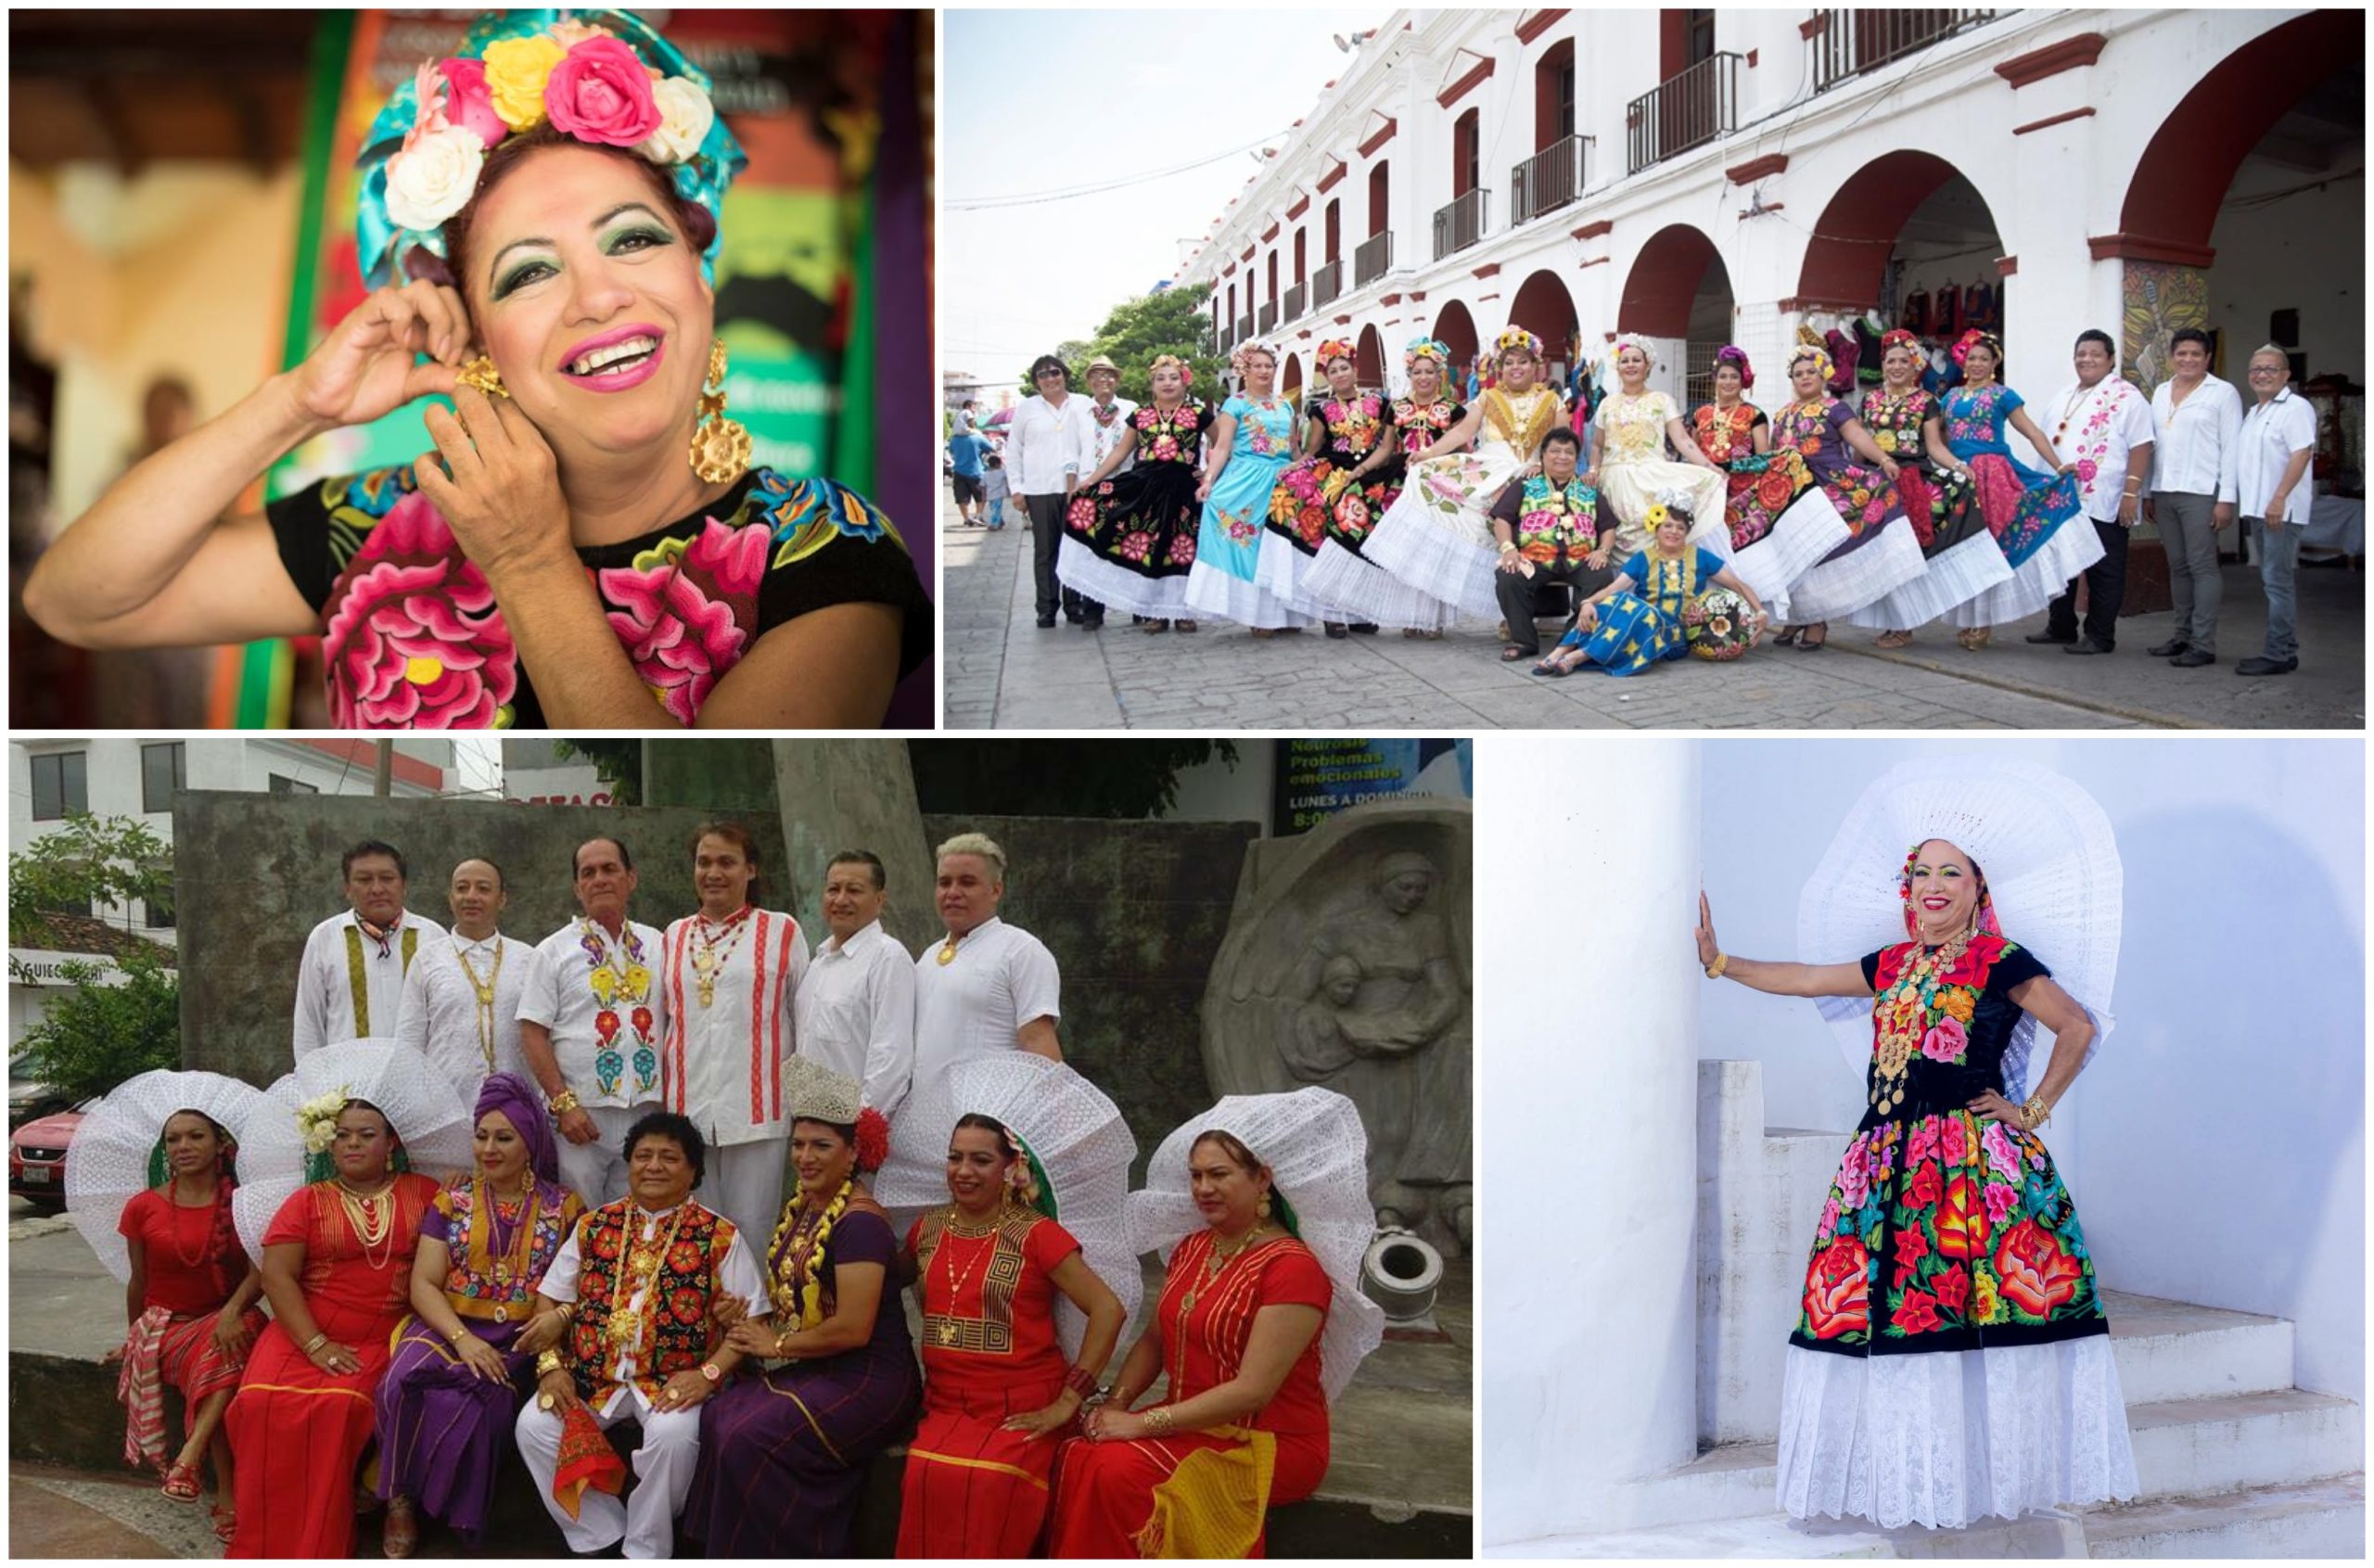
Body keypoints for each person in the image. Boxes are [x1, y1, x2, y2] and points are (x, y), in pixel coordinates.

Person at [21, 13, 928, 729]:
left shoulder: (826, 547)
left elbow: (697, 832)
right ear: (478, 337)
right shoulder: (383, 525)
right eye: (530, 270)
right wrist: (296, 405)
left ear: (700, 278)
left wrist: (530, 562)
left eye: (634, 240)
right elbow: (74, 601)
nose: (597, 296)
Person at [1693, 765, 2138, 1528]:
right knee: (1894, 1317)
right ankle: (1918, 1482)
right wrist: (1722, 962)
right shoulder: (1892, 962)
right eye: (1922, 871)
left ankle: (1979, 1487)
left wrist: (2030, 1110)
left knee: (1972, 1316)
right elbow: (1805, 978)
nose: (1934, 884)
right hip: (1883, 1163)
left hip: (1970, 1165)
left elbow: (2077, 1025)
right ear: (1909, 888)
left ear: (1976, 887)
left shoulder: (2003, 959)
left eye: (1951, 872)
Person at [1048, 1088, 1383, 1559]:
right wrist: (1116, 1404)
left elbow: (1253, 1391)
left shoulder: (1293, 1267)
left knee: (1116, 1469)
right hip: (1192, 1423)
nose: (1203, 1188)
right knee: (1081, 1450)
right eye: (1196, 1176)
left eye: (1219, 1174)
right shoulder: (1193, 1248)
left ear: (1262, 1178)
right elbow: (1153, 1340)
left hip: (1266, 1441)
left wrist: (1142, 1424)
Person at [681, 1060, 919, 1557]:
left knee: (749, 1437)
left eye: (822, 1146)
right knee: (719, 1415)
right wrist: (740, 1317)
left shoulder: (860, 1224)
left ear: (853, 1153)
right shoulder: (807, 1205)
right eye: (799, 1145)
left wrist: (777, 1343)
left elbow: (853, 1329)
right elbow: (800, 1300)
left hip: (870, 1380)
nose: (805, 1157)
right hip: (822, 1367)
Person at [514, 1111, 769, 1560]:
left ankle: (646, 1548)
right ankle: (603, 1533)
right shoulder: (594, 1226)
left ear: (693, 1171)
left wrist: (708, 1375)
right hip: (595, 1378)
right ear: (628, 1164)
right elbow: (549, 1299)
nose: (653, 1166)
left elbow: (753, 1326)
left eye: (669, 1157)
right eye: (643, 1155)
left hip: (673, 1380)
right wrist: (552, 1367)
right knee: (533, 1425)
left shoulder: (720, 1235)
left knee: (673, 1438)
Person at [897, 1111, 1128, 1558]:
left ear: (1010, 1168)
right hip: (947, 1405)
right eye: (954, 1157)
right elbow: (882, 1283)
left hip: (1021, 1407)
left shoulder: (1037, 1234)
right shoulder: (926, 1230)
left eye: (980, 1160)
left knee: (988, 1479)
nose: (963, 1171)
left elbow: (1108, 1309)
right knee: (923, 1472)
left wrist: (1068, 1401)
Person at [374, 1073, 586, 1555]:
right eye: (482, 1136)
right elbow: (423, 1283)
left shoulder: (564, 1206)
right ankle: (399, 1500)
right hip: (445, 1324)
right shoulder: (453, 1199)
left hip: (519, 1339)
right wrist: (462, 1339)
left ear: (529, 1143)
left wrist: (560, 1320)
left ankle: (455, 1518)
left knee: (479, 1406)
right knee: (397, 1384)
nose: (488, 1148)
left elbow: (584, 1289)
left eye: (503, 1137)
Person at [226, 1097, 442, 1559]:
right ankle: (266, 1539)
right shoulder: (306, 1200)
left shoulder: (427, 1193)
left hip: (384, 1330)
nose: (352, 1143)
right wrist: (314, 1343)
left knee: (338, 1407)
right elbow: (277, 1276)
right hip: (303, 1330)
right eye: (343, 1134)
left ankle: (324, 1538)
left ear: (391, 1143)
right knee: (259, 1401)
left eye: (366, 1134)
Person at [109, 1103, 267, 1546]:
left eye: (195, 1136)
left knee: (223, 1349)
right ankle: (222, 1488)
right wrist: (132, 1341)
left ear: (221, 1145)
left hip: (230, 1317)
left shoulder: (245, 1204)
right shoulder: (142, 1206)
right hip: (169, 1328)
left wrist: (231, 1312)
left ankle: (192, 1460)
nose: (183, 1146)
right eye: (173, 1139)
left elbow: (261, 1274)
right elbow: (139, 1282)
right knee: (217, 1362)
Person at [658, 822, 809, 1246]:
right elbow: (663, 1023)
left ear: (752, 870)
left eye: (727, 862)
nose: (713, 872)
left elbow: (806, 1020)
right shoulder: (673, 935)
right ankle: (701, 1314)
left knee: (752, 1229)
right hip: (687, 1113)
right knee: (694, 1230)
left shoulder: (781, 930)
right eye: (704, 862)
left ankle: (753, 1314)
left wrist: (808, 1109)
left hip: (758, 1113)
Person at [1362, 327, 1569, 635]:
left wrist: (1542, 464)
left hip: (1536, 472)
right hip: (1492, 471)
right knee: (1490, 533)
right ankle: (1509, 614)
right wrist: (1428, 453)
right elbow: (1462, 433)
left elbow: (1564, 441)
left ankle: (1528, 614)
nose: (1515, 368)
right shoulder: (1487, 397)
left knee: (1533, 534)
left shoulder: (1553, 400)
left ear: (1536, 365)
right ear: (1500, 367)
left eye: (1523, 362)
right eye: (1509, 362)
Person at [517, 836, 669, 1207]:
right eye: (589, 873)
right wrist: (564, 1104)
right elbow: (532, 1032)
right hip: (581, 1119)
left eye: (609, 869)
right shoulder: (552, 951)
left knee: (643, 1220)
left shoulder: (660, 943)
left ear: (631, 878)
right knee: (580, 1222)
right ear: (577, 887)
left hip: (648, 1112)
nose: (599, 879)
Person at [1302, 337, 1468, 633]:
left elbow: (1463, 449)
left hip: (1439, 482)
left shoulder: (1454, 409)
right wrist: (1360, 472)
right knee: (1400, 548)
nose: (1423, 377)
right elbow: (1385, 448)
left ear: (1439, 374)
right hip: (1401, 480)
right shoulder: (1397, 407)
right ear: (1410, 375)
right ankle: (1407, 618)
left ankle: (1432, 619)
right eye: (1417, 372)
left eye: (1429, 371)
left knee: (1431, 549)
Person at [1851, 330, 2006, 647]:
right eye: (1890, 361)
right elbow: (1861, 444)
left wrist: (1961, 468)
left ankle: (1905, 626)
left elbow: (1935, 447)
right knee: (1882, 556)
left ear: (1914, 366)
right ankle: (1895, 622)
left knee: (1906, 554)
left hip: (1911, 482)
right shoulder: (1869, 400)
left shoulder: (1927, 401)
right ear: (1883, 365)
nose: (1896, 366)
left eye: (1903, 362)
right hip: (1875, 483)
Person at [1936, 331, 2088, 650]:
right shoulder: (1949, 398)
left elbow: (2033, 432)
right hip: (1959, 477)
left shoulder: (2003, 395)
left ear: (1994, 363)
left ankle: (1983, 621)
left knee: (1988, 543)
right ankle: (1968, 618)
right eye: (1972, 358)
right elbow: (1940, 440)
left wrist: (2059, 466)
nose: (1977, 363)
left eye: (1984, 359)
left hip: (1993, 475)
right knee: (1963, 546)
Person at [1762, 343, 1911, 652]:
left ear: (1823, 375)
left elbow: (1858, 437)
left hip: (1828, 486)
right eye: (1798, 374)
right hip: (1792, 493)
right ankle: (1797, 616)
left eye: (1811, 372)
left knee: (1818, 554)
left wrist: (1883, 460)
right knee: (1795, 553)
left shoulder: (1835, 408)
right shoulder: (1782, 413)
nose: (1804, 378)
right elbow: (1773, 455)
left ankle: (1817, 620)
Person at [1535, 491, 1767, 677]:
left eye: (1680, 528)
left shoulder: (1701, 557)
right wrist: (1587, 603)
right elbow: (1612, 590)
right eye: (1667, 526)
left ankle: (1577, 657)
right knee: (1618, 601)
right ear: (1656, 529)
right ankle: (1559, 653)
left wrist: (1760, 610)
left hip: (1675, 636)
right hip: (1641, 624)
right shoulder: (1643, 558)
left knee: (1642, 612)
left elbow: (1737, 585)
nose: (1673, 532)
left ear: (1687, 532)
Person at [1057, 355, 1207, 631]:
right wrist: (1090, 481)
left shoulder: (1199, 414)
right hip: (1146, 487)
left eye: (1173, 377)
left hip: (1184, 488)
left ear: (1184, 381)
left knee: (1183, 548)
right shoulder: (1140, 414)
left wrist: (1209, 474)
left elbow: (1223, 444)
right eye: (1160, 378)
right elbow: (1120, 452)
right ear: (1152, 385)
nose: (1167, 383)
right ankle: (1155, 612)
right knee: (1153, 548)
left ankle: (1185, 611)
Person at [2031, 330, 2155, 655]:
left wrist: (2131, 494)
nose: (2086, 359)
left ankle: (2100, 636)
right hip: (2062, 499)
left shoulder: (2128, 396)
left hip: (2106, 498)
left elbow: (2142, 446)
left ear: (2111, 359)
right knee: (2062, 566)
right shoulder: (2064, 395)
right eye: (2080, 354)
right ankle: (2061, 627)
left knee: (2104, 569)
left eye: (2095, 354)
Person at [915, 833, 1063, 1081]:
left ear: (996, 890)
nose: (953, 892)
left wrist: (1052, 1116)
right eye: (944, 882)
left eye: (967, 882)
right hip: (926, 1112)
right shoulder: (928, 957)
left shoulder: (1022, 950)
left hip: (987, 1115)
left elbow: (1038, 1041)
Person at [1184, 341, 1307, 634]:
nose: (1264, 371)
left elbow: (1292, 448)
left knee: (1276, 547)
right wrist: (1209, 480)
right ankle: (1256, 616)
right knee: (1250, 547)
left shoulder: (1285, 404)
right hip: (1246, 480)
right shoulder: (1235, 403)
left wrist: (1306, 472)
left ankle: (1281, 615)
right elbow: (1223, 446)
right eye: (1257, 366)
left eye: (1269, 366)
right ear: (1245, 371)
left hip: (1279, 483)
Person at [1265, 340, 1385, 638]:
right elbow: (1313, 450)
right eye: (1334, 371)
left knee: (1361, 545)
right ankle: (1331, 615)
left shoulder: (1379, 403)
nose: (1340, 374)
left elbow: (1386, 441)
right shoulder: (1321, 409)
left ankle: (1359, 613)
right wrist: (1296, 466)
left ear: (1355, 370)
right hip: (1333, 479)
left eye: (1345, 368)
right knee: (1331, 543)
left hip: (1368, 478)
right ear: (1327, 377)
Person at [2143, 327, 2242, 668]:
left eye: (2195, 354)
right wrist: (2146, 491)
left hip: (2201, 491)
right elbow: (2150, 446)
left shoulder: (2222, 393)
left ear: (2208, 359)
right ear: (2171, 357)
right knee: (2178, 566)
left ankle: (2203, 644)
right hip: (2164, 490)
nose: (2187, 359)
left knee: (2202, 566)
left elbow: (2232, 448)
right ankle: (2181, 635)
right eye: (2181, 353)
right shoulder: (2160, 391)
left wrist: (2226, 498)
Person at [794, 849, 918, 1119]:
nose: (840, 900)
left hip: (852, 1129)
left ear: (880, 899)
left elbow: (892, 1058)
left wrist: (859, 1125)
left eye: (854, 890)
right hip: (810, 1124)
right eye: (833, 889)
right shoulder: (818, 963)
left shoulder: (887, 958)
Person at [293, 840, 446, 1060]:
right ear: (347, 888)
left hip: (417, 1084)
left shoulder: (433, 938)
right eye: (364, 880)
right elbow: (309, 1022)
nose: (377, 889)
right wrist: (313, 1085)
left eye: (387, 878)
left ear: (404, 885)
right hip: (346, 1084)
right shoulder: (325, 937)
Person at [1583, 334, 1726, 567]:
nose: (1630, 365)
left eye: (1636, 360)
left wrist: (1708, 467)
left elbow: (1682, 439)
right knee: (1615, 534)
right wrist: (1592, 468)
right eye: (1625, 360)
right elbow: (1598, 445)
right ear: (1617, 366)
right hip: (1615, 481)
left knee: (1655, 534)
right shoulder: (1607, 404)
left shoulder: (1662, 400)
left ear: (1647, 365)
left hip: (1651, 478)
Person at [394, 857, 531, 1090]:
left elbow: (543, 1036)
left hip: (515, 1106)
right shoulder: (427, 960)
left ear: (502, 899)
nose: (471, 896)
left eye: (483, 888)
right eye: (461, 888)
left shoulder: (528, 958)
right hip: (448, 1102)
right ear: (451, 899)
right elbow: (409, 1041)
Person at [2233, 342, 2319, 678]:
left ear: (2286, 375)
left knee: (2277, 581)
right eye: (2256, 369)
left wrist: (2280, 498)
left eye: (2270, 369)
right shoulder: (2254, 412)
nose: (2262, 375)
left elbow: (2301, 454)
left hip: (2280, 511)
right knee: (2271, 579)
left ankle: (2279, 652)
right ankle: (2284, 649)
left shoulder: (2296, 407)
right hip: (2259, 510)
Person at [1489, 427, 1605, 663]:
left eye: (1569, 452)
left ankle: (1572, 639)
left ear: (1576, 458)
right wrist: (1508, 549)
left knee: (1602, 576)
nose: (1562, 457)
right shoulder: (1525, 484)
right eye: (1555, 451)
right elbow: (1502, 519)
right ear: (1543, 455)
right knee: (1508, 576)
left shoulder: (1588, 489)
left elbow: (1608, 526)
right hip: (1534, 558)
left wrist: (1603, 550)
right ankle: (1524, 641)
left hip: (1580, 559)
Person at [1013, 353, 1100, 630]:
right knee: (1045, 550)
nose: (1050, 378)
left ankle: (1075, 605)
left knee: (1076, 548)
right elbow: (1013, 450)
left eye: (1054, 372)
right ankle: (1047, 608)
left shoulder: (1083, 404)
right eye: (1043, 375)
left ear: (1064, 374)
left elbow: (1091, 445)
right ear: (1036, 381)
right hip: (1039, 489)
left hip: (1077, 489)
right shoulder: (1027, 409)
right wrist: (1017, 488)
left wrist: (1085, 483)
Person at [1080, 355, 1140, 480]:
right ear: (1088, 382)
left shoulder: (1132, 409)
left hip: (1124, 483)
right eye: (1095, 375)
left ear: (1117, 380)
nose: (1102, 379)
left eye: (1108, 375)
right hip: (1086, 484)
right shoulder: (1079, 411)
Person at [948, 423, 992, 527]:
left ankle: (967, 519)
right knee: (981, 496)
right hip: (976, 472)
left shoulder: (954, 439)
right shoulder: (978, 437)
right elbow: (990, 448)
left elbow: (951, 451)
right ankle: (978, 516)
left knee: (961, 498)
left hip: (959, 472)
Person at [981, 451, 1010, 531]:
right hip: (999, 494)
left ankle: (995, 523)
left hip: (990, 495)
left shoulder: (986, 474)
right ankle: (996, 523)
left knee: (994, 509)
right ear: (998, 464)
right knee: (996, 510)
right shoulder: (1002, 472)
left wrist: (983, 496)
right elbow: (1009, 479)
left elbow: (982, 485)